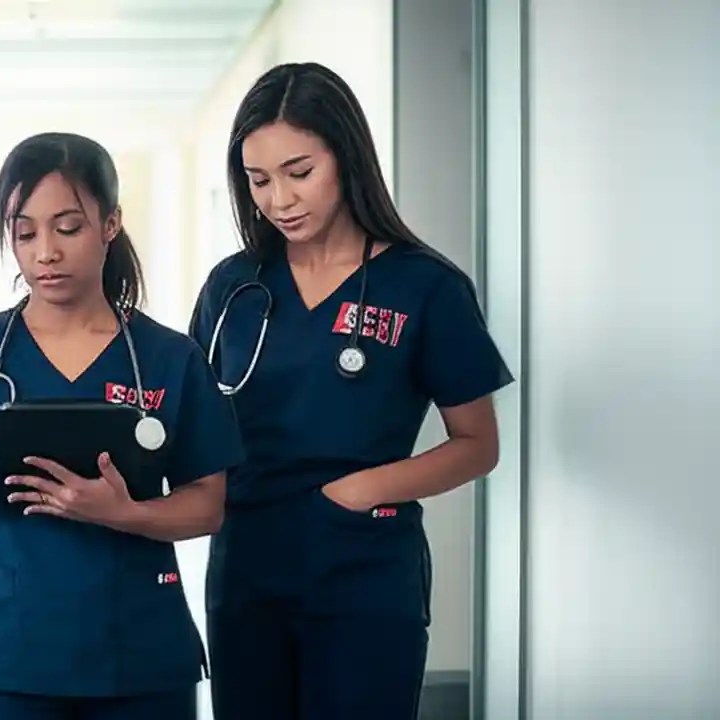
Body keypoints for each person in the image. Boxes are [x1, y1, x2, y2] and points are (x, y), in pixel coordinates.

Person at [189, 62, 514, 719]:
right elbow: (191, 420)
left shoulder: (425, 287)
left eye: (298, 172)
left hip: (364, 567)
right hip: (246, 565)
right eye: (259, 180)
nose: (279, 199)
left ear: (347, 156)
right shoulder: (234, 286)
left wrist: (362, 489)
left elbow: (477, 445)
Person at [0, 131, 245, 720]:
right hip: (7, 655)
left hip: (138, 654)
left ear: (111, 224)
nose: (45, 252)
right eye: (24, 232)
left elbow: (207, 505)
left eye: (68, 228)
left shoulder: (166, 358)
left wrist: (120, 513)